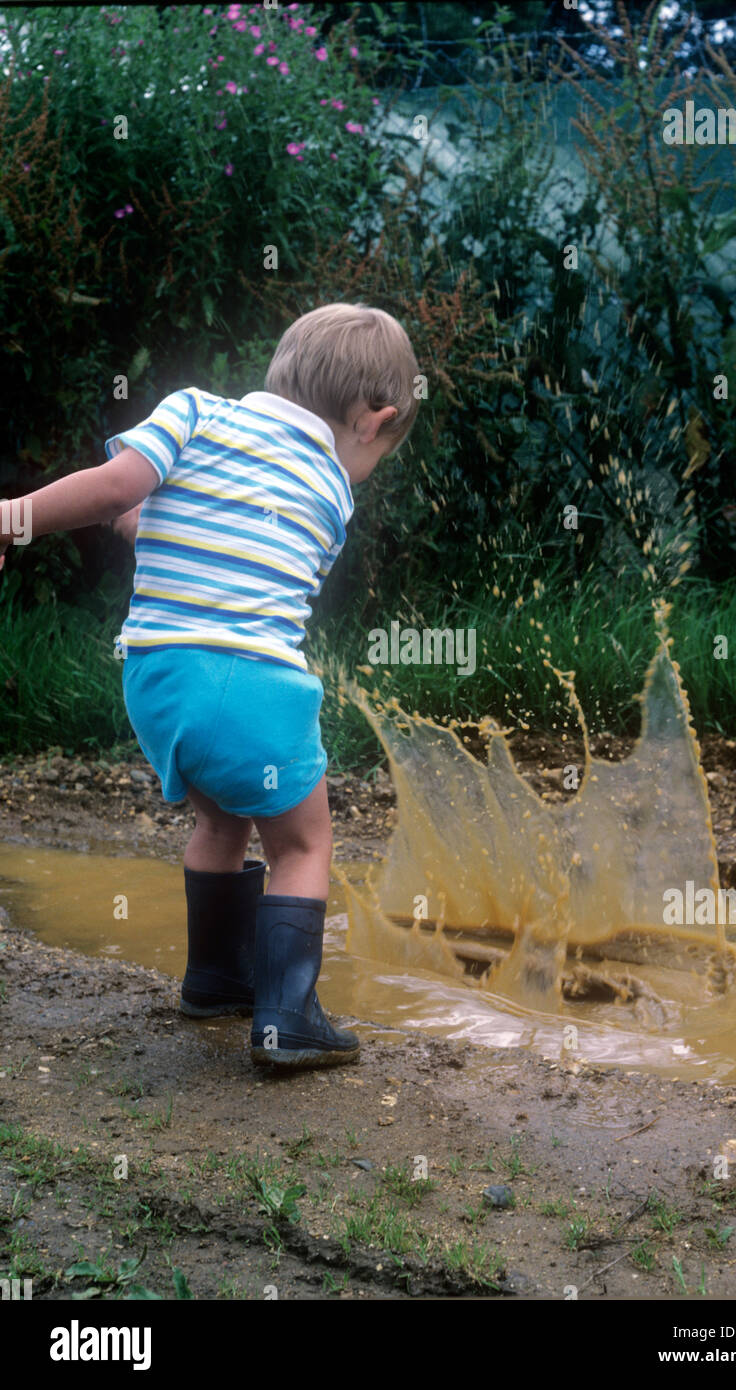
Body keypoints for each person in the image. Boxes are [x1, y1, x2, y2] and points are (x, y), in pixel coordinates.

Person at [0, 302, 421, 1070]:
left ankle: (214, 977)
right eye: (379, 449)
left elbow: (117, 493)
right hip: (253, 681)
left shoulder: (193, 411)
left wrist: (13, 518)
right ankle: (287, 1019)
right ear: (374, 419)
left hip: (156, 681)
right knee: (302, 840)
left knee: (222, 824)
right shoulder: (331, 492)